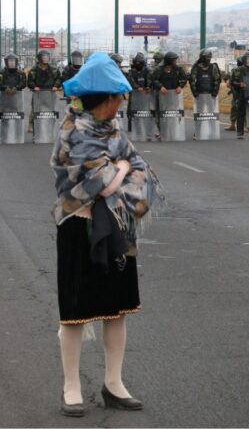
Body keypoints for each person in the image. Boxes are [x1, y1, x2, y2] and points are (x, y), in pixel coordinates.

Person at [52, 52, 161, 417]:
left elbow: (142, 168)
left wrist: (122, 168)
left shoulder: (114, 130)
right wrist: (123, 168)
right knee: (76, 313)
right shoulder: (73, 129)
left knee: (118, 309)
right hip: (77, 227)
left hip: (116, 225)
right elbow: (100, 184)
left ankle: (114, 383)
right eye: (118, 96)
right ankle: (71, 387)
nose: (121, 103)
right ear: (106, 98)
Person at [27, 50, 63, 132]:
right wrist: (34, 86)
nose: (46, 58)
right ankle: (31, 125)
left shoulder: (54, 69)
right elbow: (30, 81)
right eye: (44, 57)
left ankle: (50, 125)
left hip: (50, 93)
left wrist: (56, 86)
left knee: (50, 109)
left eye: (47, 56)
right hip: (38, 93)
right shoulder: (34, 70)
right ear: (39, 58)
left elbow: (58, 79)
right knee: (35, 109)